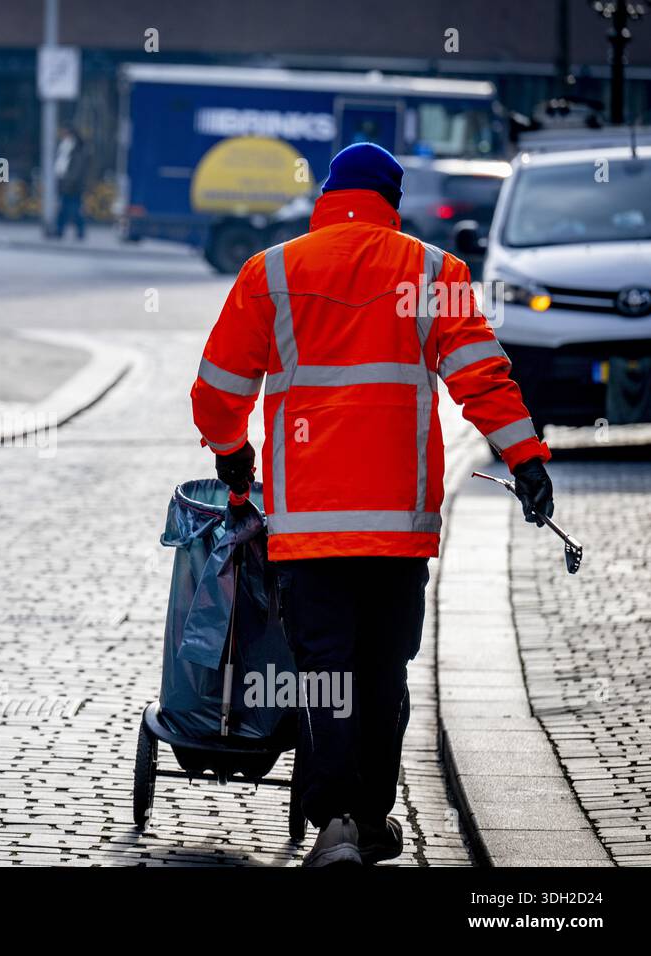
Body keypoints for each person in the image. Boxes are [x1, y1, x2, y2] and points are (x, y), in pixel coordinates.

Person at [191, 142, 554, 867]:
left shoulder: (271, 272)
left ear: (328, 193)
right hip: (397, 526)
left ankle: (335, 827)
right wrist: (526, 458)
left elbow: (218, 391)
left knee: (326, 670)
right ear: (392, 200)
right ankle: (370, 816)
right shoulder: (434, 272)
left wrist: (232, 454)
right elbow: (481, 377)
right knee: (383, 673)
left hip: (308, 525)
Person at [53, 127, 88, 240]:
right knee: (65, 209)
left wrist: (69, 182)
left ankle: (78, 231)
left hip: (73, 186)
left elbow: (76, 169)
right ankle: (60, 231)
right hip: (66, 184)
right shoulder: (64, 147)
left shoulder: (76, 149)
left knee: (73, 209)